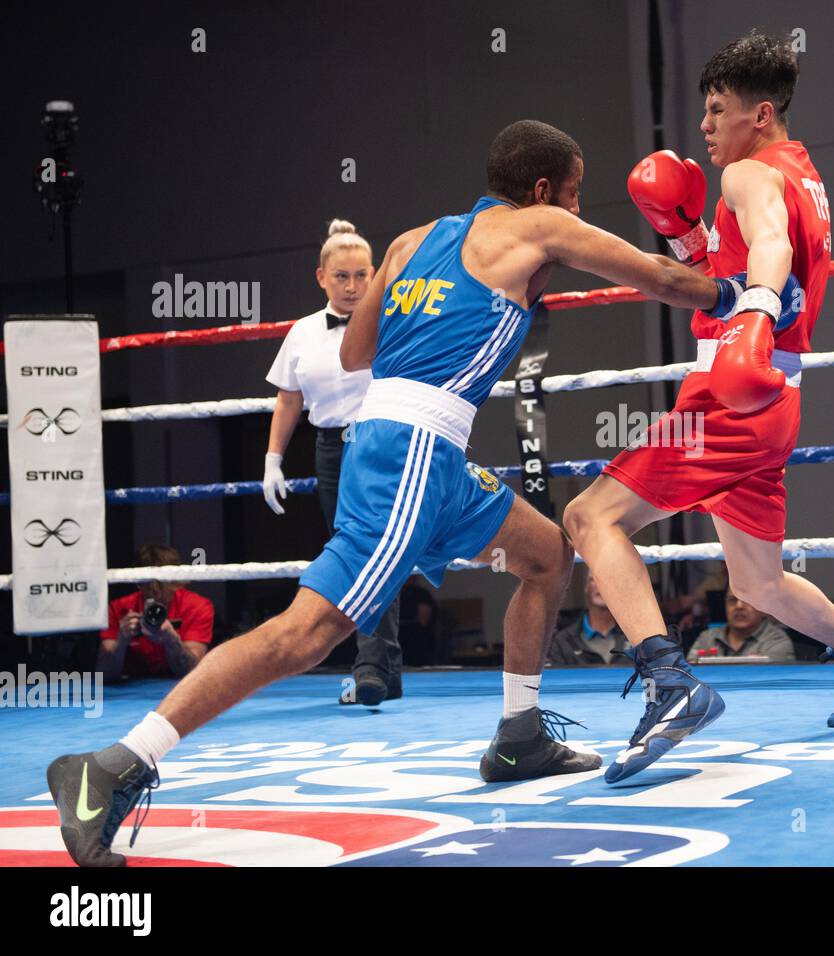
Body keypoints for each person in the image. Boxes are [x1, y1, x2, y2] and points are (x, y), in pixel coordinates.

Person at [47, 118, 753, 866]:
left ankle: (518, 739)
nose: (575, 213)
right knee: (307, 635)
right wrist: (751, 294)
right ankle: (113, 768)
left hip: (426, 452)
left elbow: (354, 350)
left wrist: (441, 315)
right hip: (409, 455)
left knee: (547, 555)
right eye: (575, 195)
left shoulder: (411, 242)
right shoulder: (541, 225)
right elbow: (670, 282)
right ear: (544, 189)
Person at [564, 32, 834, 785]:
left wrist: (752, 313)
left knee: (591, 519)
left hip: (729, 391)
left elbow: (768, 252)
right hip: (771, 396)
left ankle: (671, 682)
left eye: (717, 110)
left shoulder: (751, 175)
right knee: (756, 581)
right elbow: (739, 259)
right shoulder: (801, 174)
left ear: (760, 113)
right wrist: (686, 233)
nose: (705, 127)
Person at [263, 219, 404, 707]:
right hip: (329, 447)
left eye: (361, 275)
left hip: (382, 441)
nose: (351, 286)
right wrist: (272, 460)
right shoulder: (302, 333)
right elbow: (288, 399)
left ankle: (368, 668)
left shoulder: (392, 321)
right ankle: (386, 668)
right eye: (341, 276)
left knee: (373, 549)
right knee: (354, 550)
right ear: (321, 277)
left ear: (375, 275)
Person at [98, 544, 214, 680]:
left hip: (179, 685)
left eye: (162, 587)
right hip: (131, 687)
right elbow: (104, 675)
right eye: (149, 586)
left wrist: (172, 640)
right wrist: (121, 642)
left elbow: (193, 673)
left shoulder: (197, 606)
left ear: (176, 582)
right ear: (138, 583)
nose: (156, 593)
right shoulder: (118, 608)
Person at [688, 584, 795, 661]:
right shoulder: (707, 637)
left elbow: (773, 682)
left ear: (764, 609)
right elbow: (688, 675)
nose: (739, 606)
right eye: (732, 600)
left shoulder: (777, 641)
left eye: (747, 600)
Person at [547, 569, 629, 665]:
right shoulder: (563, 641)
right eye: (594, 579)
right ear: (586, 587)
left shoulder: (634, 636)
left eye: (608, 579)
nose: (601, 585)